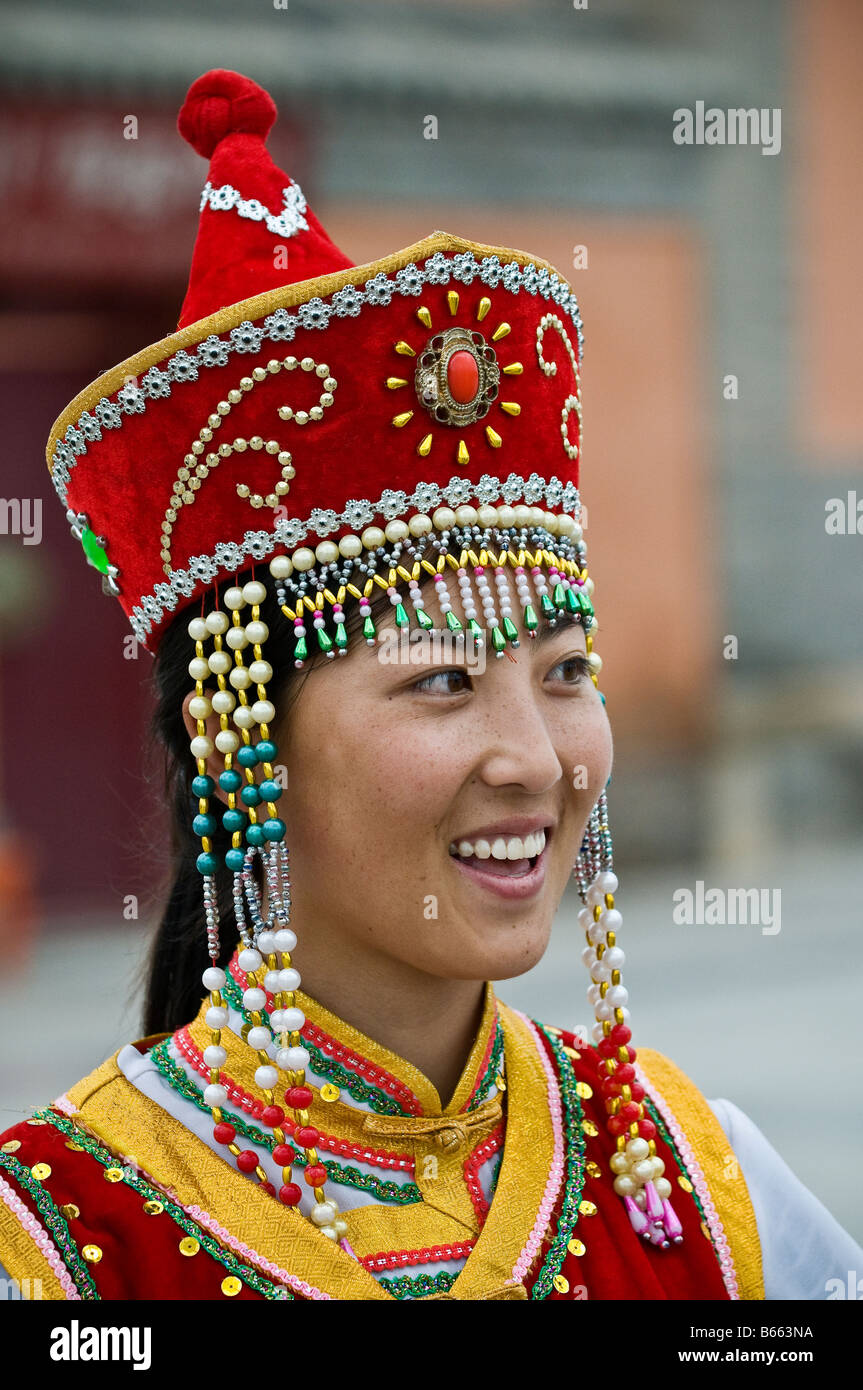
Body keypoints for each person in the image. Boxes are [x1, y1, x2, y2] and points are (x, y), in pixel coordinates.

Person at [0, 69, 859, 1303]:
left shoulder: (701, 1186)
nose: (532, 756)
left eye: (564, 671)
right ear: (240, 732)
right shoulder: (63, 1252)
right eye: (443, 680)